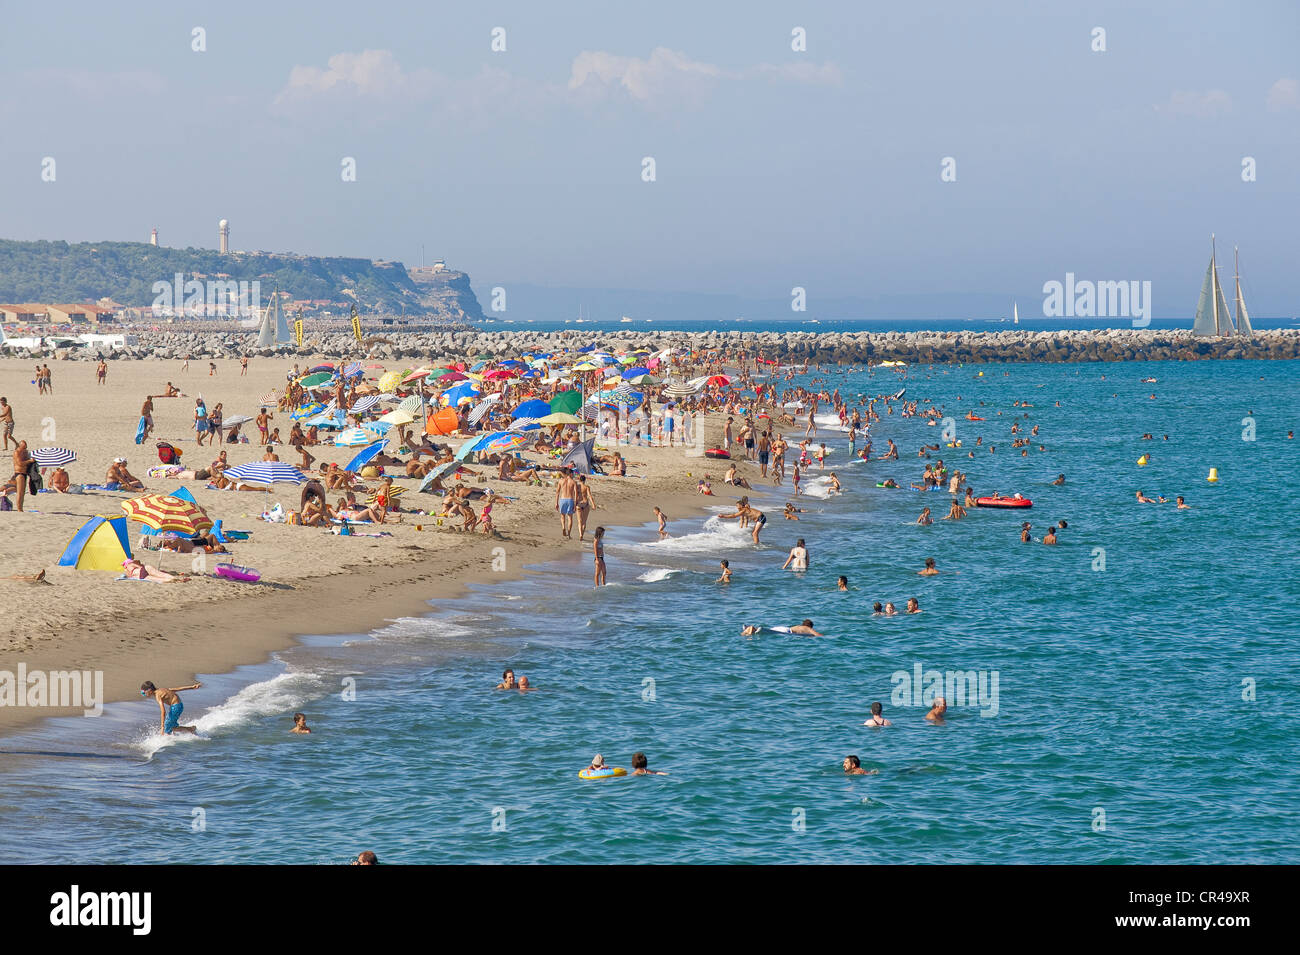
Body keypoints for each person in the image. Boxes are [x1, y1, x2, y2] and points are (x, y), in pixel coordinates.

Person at [556, 470, 578, 538]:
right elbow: (576, 494)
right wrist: (575, 504)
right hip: (570, 499)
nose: (573, 475)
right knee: (570, 517)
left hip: (562, 499)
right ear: (570, 474)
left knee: (562, 516)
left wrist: (556, 503)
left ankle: (563, 528)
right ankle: (569, 534)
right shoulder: (573, 482)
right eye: (573, 474)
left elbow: (557, 492)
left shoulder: (561, 481)